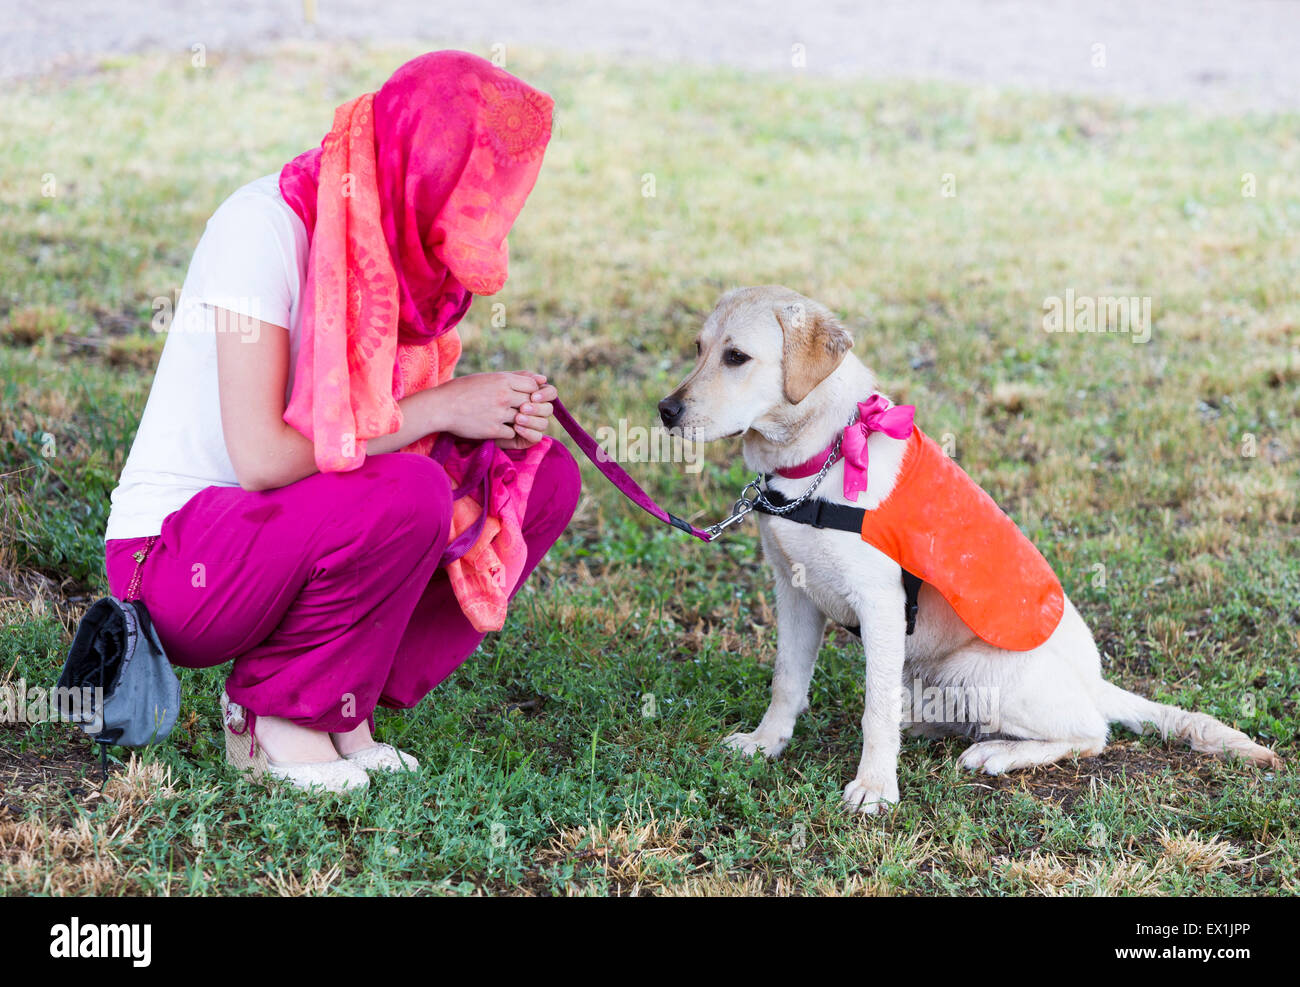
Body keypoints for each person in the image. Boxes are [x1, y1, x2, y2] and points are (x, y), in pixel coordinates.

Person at [102, 50, 580, 793]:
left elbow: (382, 438)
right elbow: (261, 457)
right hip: (177, 562)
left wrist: (491, 423)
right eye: (464, 191)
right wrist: (445, 408)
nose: (475, 220)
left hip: (294, 531)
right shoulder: (262, 226)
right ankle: (272, 719)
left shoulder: (400, 248)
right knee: (408, 490)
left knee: (537, 476)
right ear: (419, 165)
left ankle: (339, 705)